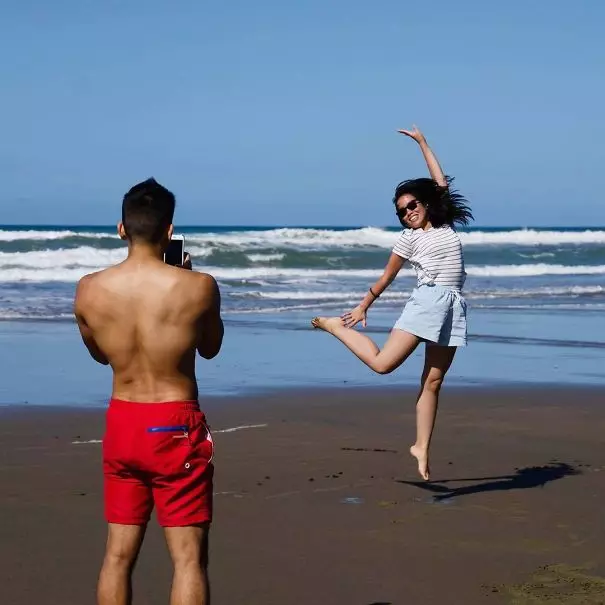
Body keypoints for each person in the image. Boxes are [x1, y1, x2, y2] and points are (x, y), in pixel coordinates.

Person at [74, 178, 223, 605]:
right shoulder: (199, 287)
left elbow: (100, 355)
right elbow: (211, 349)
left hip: (123, 421)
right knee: (188, 559)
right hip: (175, 423)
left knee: (117, 556)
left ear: (121, 228)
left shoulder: (89, 289)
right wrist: (189, 281)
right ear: (169, 229)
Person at [312, 126, 473, 481]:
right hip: (429, 300)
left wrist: (423, 143)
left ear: (426, 204)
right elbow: (386, 278)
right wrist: (362, 306)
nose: (408, 213)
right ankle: (336, 327)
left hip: (453, 306)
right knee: (383, 364)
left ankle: (421, 448)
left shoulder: (444, 224)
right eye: (401, 211)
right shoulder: (407, 240)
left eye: (412, 205)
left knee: (432, 381)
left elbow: (439, 180)